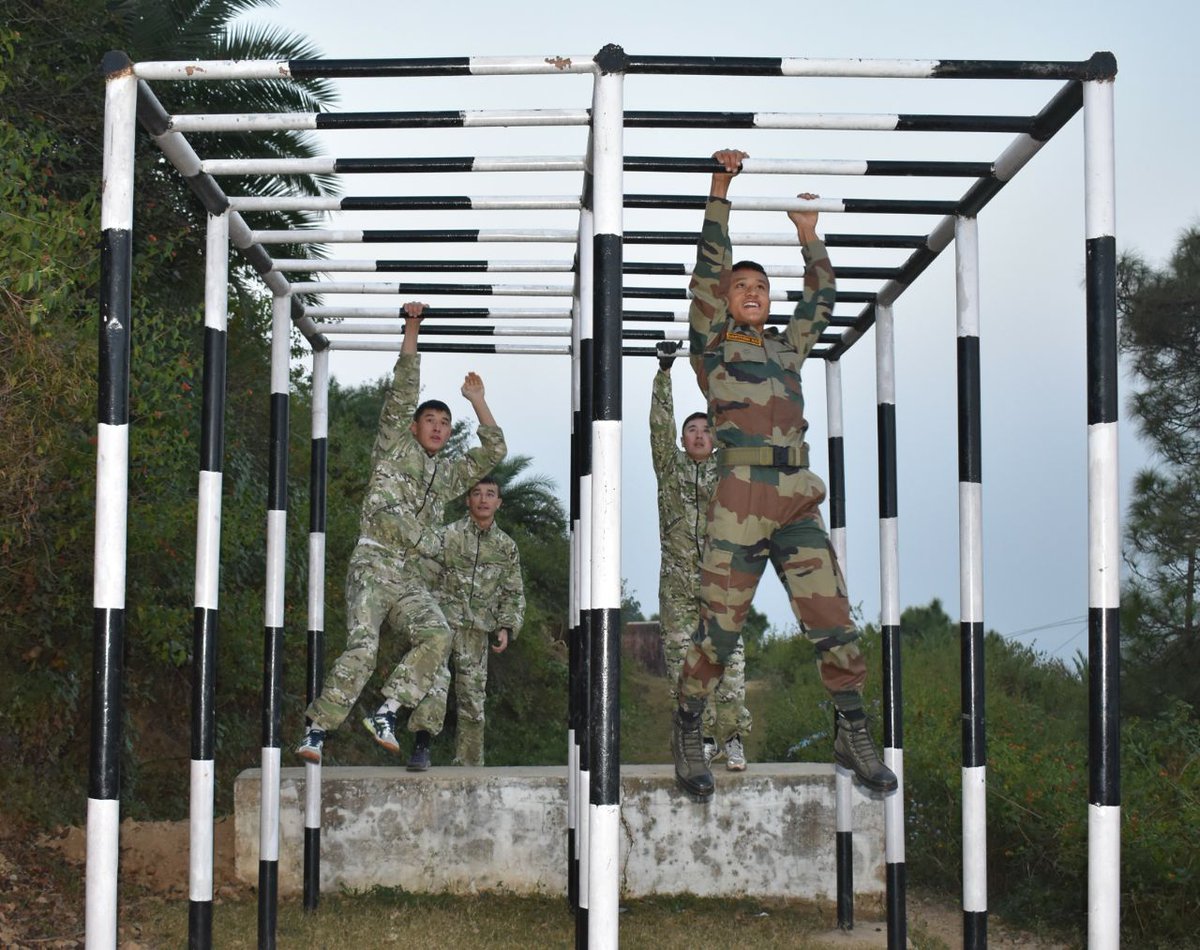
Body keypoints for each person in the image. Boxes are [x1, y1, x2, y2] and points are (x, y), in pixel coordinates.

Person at [671, 149, 898, 802]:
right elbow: (707, 271)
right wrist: (720, 186)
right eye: (742, 287)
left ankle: (852, 733)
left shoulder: (785, 347)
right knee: (719, 632)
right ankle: (689, 728)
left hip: (797, 498)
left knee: (835, 622)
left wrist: (809, 238)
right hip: (740, 500)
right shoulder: (714, 347)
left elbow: (821, 298)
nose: (750, 294)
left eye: (760, 288)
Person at [296, 302, 507, 766]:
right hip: (374, 566)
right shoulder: (394, 448)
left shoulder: (450, 476)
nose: (437, 427)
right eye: (430, 420)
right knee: (364, 649)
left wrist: (476, 401)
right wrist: (412, 326)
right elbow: (404, 383)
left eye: (445, 423)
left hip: (409, 579)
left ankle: (387, 712)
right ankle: (317, 730)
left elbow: (495, 448)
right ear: (414, 427)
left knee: (438, 635)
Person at [651, 340, 752, 771]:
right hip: (676, 587)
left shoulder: (725, 468)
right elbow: (658, 425)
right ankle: (702, 735)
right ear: (681, 438)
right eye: (691, 430)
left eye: (705, 430)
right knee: (683, 663)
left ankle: (732, 739)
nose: (698, 435)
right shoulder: (668, 468)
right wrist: (665, 373)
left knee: (728, 661)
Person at [397, 476, 526, 769]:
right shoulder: (447, 537)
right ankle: (421, 748)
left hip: (477, 632)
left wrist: (506, 626)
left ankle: (469, 766)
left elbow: (513, 591)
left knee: (472, 701)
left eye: (490, 494)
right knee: (434, 684)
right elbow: (421, 576)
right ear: (467, 500)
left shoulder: (507, 547)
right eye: (476, 493)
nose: (483, 499)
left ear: (498, 502)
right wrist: (421, 616)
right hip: (442, 625)